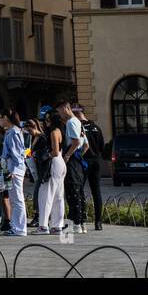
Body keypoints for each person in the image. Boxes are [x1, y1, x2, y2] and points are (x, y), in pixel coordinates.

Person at [57, 99, 87, 235]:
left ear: (65, 109)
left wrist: (67, 156)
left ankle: (76, 223)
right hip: (78, 161)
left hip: (72, 161)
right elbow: (85, 145)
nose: (60, 115)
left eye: (59, 111)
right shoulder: (79, 122)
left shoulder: (70, 123)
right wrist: (79, 154)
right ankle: (82, 223)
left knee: (72, 191)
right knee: (79, 192)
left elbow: (75, 142)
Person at [76, 104, 105, 231]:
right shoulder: (96, 127)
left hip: (84, 161)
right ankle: (98, 222)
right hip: (96, 161)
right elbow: (102, 147)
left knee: (79, 190)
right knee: (96, 191)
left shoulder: (78, 127)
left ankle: (82, 219)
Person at [36, 112, 66, 236]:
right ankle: (57, 226)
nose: (46, 122)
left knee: (45, 194)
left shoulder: (53, 132)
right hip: (61, 163)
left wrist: (44, 156)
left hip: (54, 162)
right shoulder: (60, 131)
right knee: (58, 196)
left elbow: (54, 151)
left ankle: (43, 226)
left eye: (48, 119)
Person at [0, 111, 27, 236]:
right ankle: (16, 227)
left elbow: (17, 155)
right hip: (10, 168)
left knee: (17, 199)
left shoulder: (13, 133)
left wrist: (14, 171)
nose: (0, 121)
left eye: (1, 118)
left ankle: (20, 228)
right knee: (14, 199)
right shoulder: (12, 132)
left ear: (6, 118)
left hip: (14, 169)